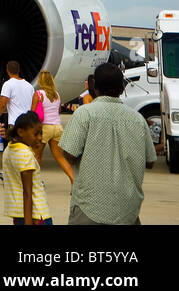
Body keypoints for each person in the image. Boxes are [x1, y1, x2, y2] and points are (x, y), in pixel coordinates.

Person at [60, 62, 157, 225]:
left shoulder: (84, 114)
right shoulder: (137, 119)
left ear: (94, 87)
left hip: (89, 207)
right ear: (122, 89)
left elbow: (69, 152)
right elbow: (150, 161)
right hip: (128, 210)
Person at [3, 111, 52, 225]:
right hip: (36, 215)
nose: (40, 138)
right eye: (35, 134)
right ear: (20, 132)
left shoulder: (10, 149)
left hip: (19, 213)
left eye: (41, 133)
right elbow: (27, 191)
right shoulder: (25, 154)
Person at [33, 69, 74, 182]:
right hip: (58, 127)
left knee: (36, 156)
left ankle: (35, 182)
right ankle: (73, 180)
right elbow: (58, 110)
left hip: (45, 128)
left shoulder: (38, 94)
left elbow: (32, 113)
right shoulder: (57, 95)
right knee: (60, 157)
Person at [0, 60, 35, 127]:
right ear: (18, 70)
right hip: (29, 123)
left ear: (7, 70)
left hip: (16, 123)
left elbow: (2, 104)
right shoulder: (30, 86)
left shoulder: (8, 84)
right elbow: (34, 105)